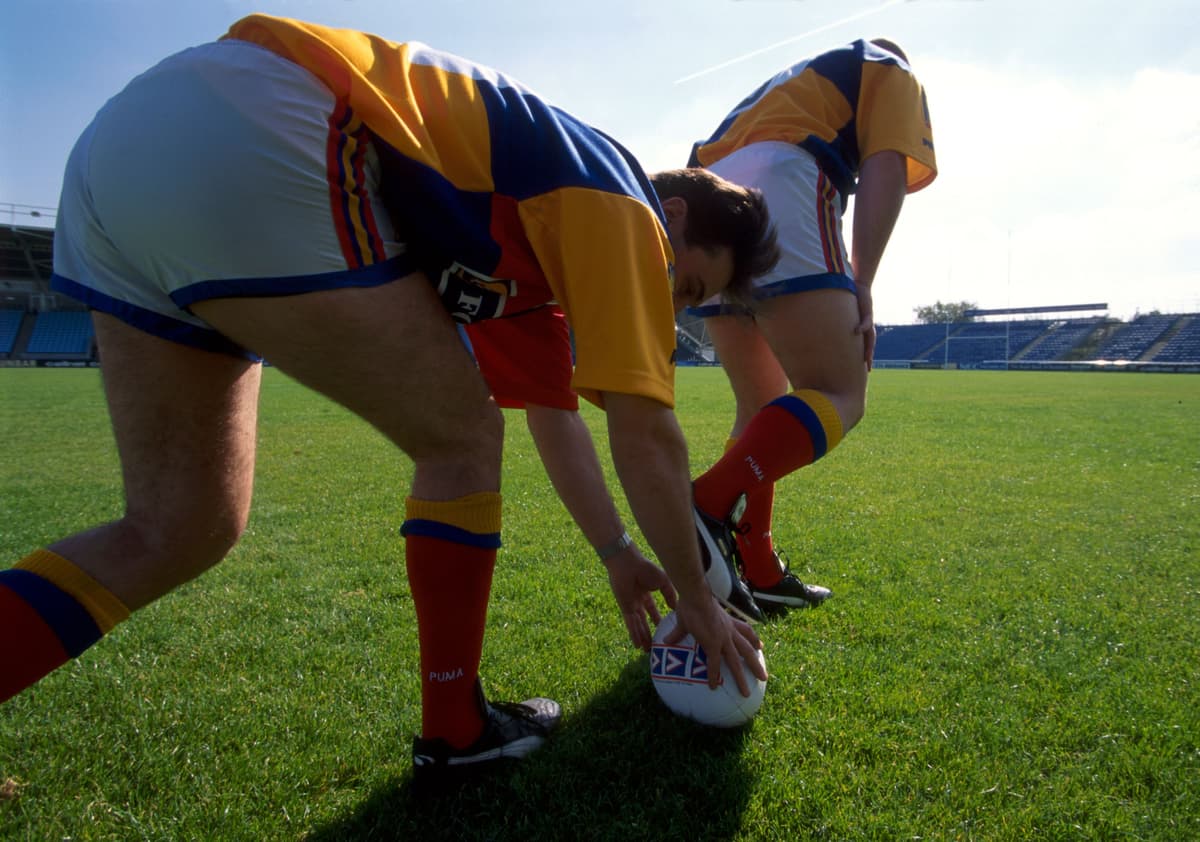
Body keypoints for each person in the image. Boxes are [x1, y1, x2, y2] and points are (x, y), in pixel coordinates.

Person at [0, 14, 777, 785]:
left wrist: (617, 556)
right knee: (462, 437)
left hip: (121, 148)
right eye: (687, 285)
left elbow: (556, 417)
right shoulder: (622, 202)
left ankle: (458, 727)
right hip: (263, 111)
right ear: (672, 220)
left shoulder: (532, 262)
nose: (669, 308)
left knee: (177, 526)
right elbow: (646, 436)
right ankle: (455, 730)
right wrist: (696, 601)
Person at [684, 38, 938, 614]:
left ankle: (759, 564)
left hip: (709, 195)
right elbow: (886, 162)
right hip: (784, 173)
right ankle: (706, 503)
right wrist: (863, 281)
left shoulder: (782, 88)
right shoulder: (886, 63)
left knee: (758, 405)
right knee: (840, 391)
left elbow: (697, 162)